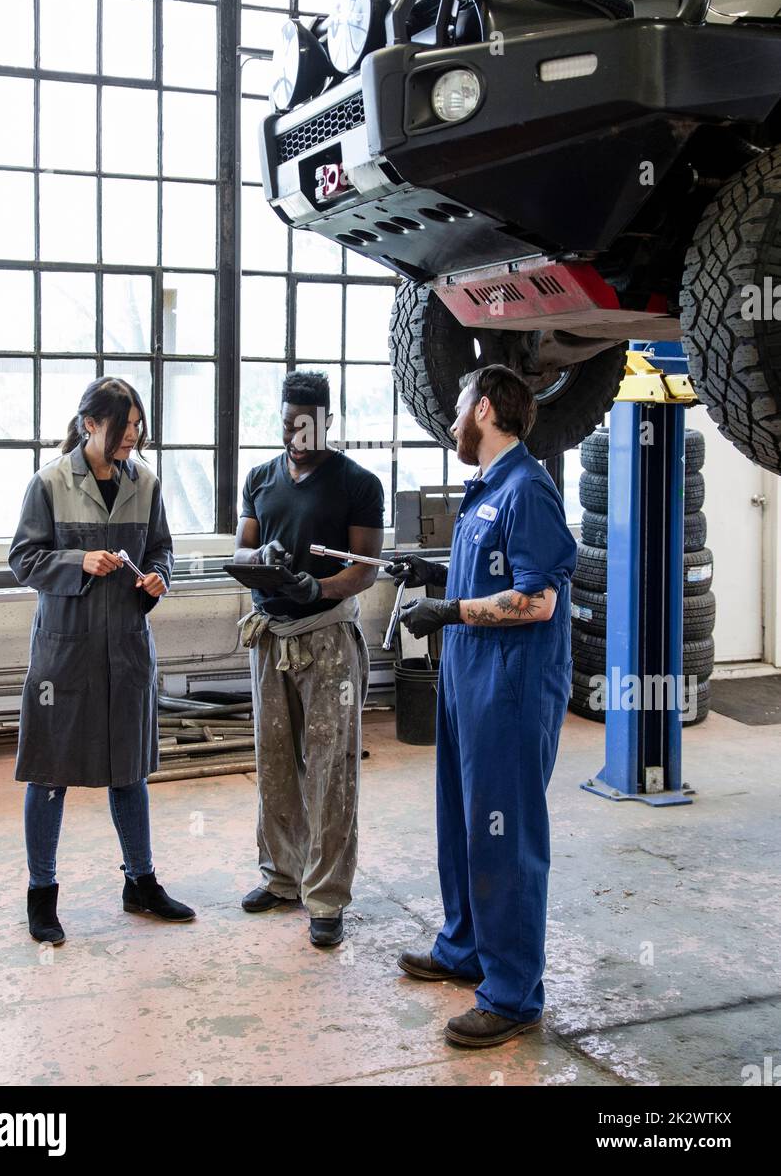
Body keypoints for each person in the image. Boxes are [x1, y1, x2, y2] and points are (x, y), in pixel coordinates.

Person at [388, 364, 576, 1047]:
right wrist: (438, 575)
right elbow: (494, 574)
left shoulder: (529, 489)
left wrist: (452, 608)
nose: (453, 418)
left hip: (511, 695)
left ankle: (513, 993)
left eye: (461, 403)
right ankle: (465, 946)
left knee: (505, 839)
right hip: (468, 688)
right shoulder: (486, 490)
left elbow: (538, 599)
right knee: (463, 828)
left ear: (488, 408)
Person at [9, 376, 195, 946]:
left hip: (127, 649)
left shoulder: (147, 484)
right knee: (48, 773)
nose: (134, 436)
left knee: (129, 771)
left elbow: (162, 547)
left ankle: (140, 882)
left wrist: (159, 576)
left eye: (138, 425)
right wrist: (77, 562)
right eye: (124, 425)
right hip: (64, 653)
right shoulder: (49, 484)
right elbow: (23, 559)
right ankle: (42, 895)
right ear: (90, 424)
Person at [234, 371, 384, 947]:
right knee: (274, 763)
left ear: (326, 419)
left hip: (326, 639)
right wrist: (260, 556)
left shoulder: (357, 484)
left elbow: (364, 569)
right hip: (270, 636)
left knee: (330, 768)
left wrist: (317, 590)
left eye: (307, 420)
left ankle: (325, 896)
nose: (295, 430)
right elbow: (243, 547)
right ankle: (281, 877)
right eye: (287, 419)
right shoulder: (260, 478)